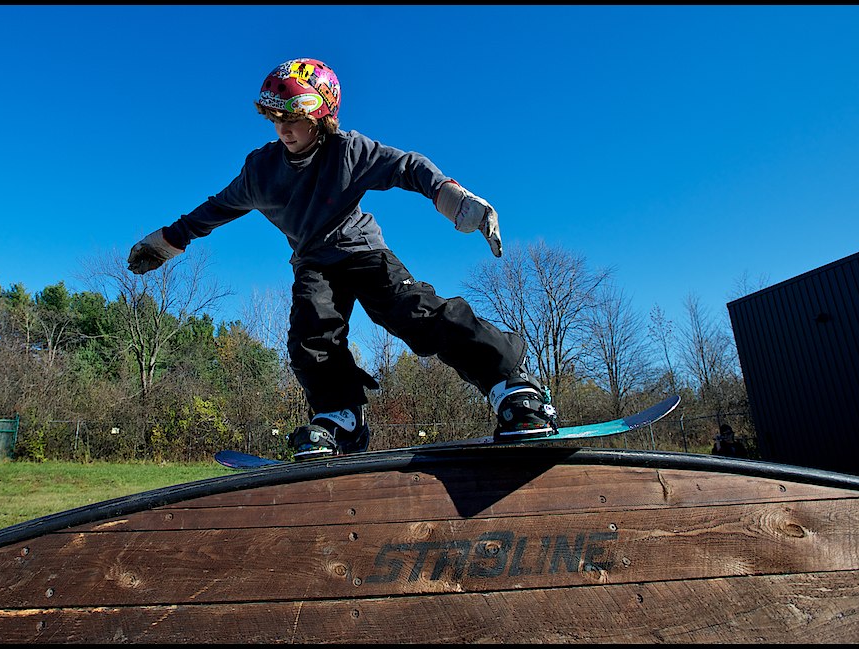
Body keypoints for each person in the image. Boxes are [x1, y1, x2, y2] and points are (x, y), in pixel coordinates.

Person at [127, 57, 557, 461]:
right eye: (277, 119)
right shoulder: (260, 171)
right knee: (311, 335)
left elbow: (405, 166)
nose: (284, 130)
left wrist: (449, 196)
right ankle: (341, 418)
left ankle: (511, 386)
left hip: (363, 252)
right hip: (313, 261)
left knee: (416, 314)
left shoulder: (348, 150)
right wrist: (166, 243)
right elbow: (216, 207)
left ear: (322, 117)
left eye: (295, 119)